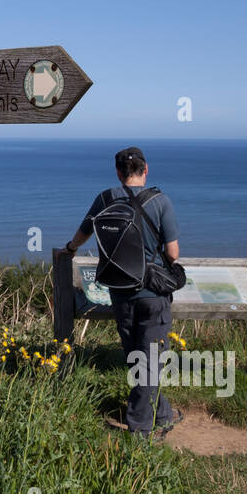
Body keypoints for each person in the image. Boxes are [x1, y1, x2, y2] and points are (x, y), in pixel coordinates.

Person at [61, 146, 183, 438]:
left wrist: (70, 249)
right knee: (150, 359)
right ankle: (140, 429)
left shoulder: (105, 198)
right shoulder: (161, 201)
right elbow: (173, 253)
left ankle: (162, 413)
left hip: (120, 292)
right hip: (153, 294)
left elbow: (83, 232)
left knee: (137, 356)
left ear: (118, 172)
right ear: (146, 169)